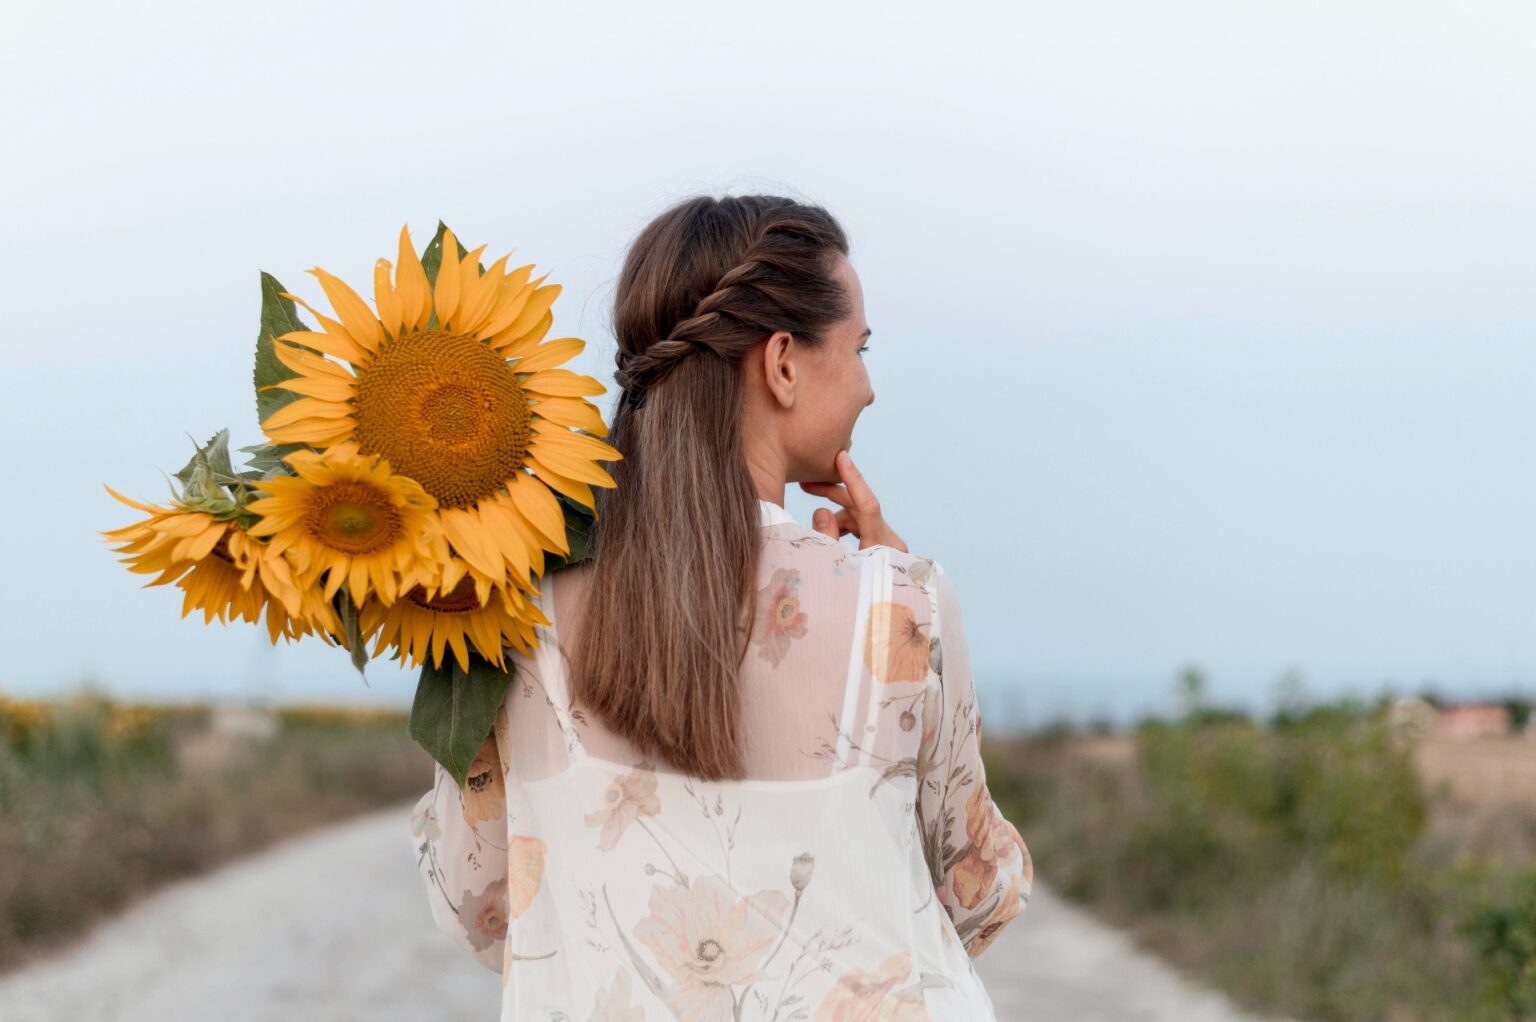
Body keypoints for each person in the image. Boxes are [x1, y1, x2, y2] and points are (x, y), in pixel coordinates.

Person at [409, 194, 1033, 1020]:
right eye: (860, 348)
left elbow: (478, 902)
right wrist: (892, 578)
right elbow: (978, 894)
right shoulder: (904, 603)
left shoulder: (509, 608)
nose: (870, 388)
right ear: (781, 361)